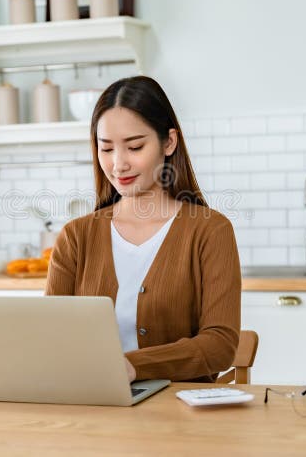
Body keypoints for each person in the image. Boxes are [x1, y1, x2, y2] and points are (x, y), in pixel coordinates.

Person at [45, 75, 241, 383]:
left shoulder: (210, 231)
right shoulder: (76, 237)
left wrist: (133, 366)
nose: (118, 164)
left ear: (169, 142)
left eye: (134, 147)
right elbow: (50, 334)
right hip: (91, 404)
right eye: (106, 149)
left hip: (178, 408)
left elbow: (220, 346)